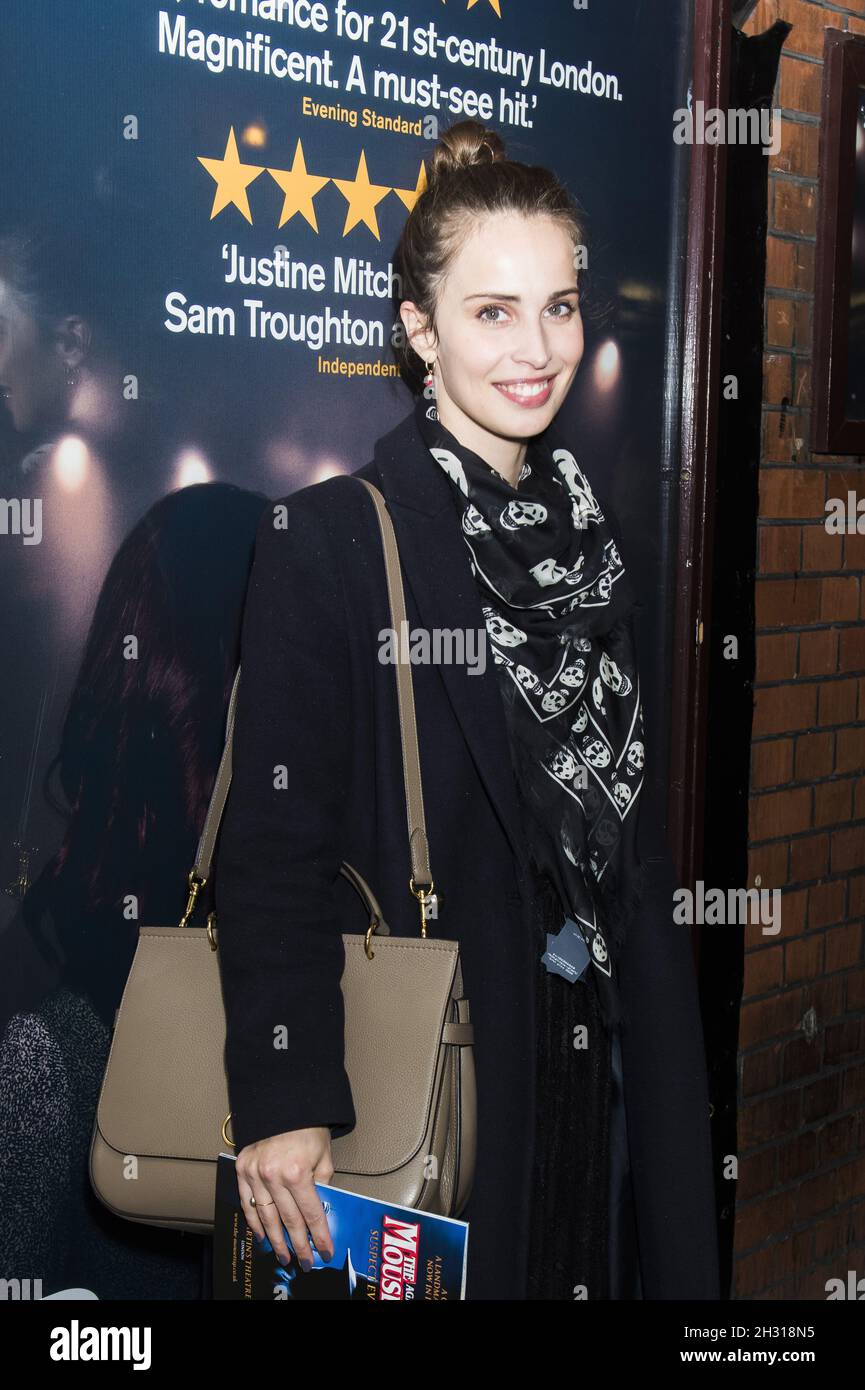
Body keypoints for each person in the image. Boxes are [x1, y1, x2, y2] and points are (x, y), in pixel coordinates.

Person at [214, 119, 720, 1301]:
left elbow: (625, 858)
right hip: (438, 1093)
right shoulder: (330, 538)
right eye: (491, 312)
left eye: (557, 305)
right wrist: (288, 1101)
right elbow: (272, 852)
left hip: (587, 1086)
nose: (535, 348)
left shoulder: (594, 549)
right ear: (418, 332)